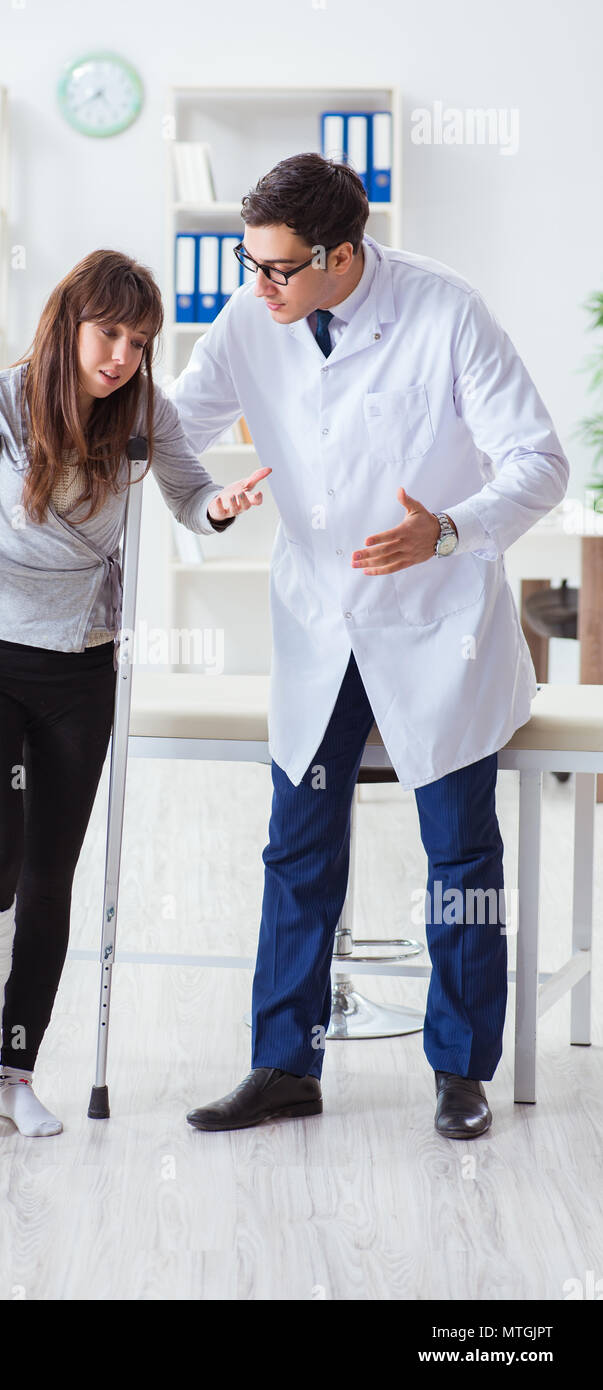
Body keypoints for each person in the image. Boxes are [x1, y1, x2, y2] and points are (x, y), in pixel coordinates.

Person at [166, 153, 569, 1140]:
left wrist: (449, 530)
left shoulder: (446, 311)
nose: (258, 285)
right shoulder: (251, 317)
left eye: (277, 268)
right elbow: (170, 430)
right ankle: (282, 1065)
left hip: (435, 626)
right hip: (319, 624)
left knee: (460, 857)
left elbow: (539, 462)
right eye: (249, 263)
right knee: (297, 848)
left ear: (340, 257)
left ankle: (461, 1070)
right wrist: (202, 500)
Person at [0, 248, 268, 1139]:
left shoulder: (144, 411)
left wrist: (220, 508)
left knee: (50, 872)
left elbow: (189, 495)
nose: (122, 356)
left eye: (139, 341)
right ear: (68, 324)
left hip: (82, 665)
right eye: (109, 334)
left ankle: (17, 1071)